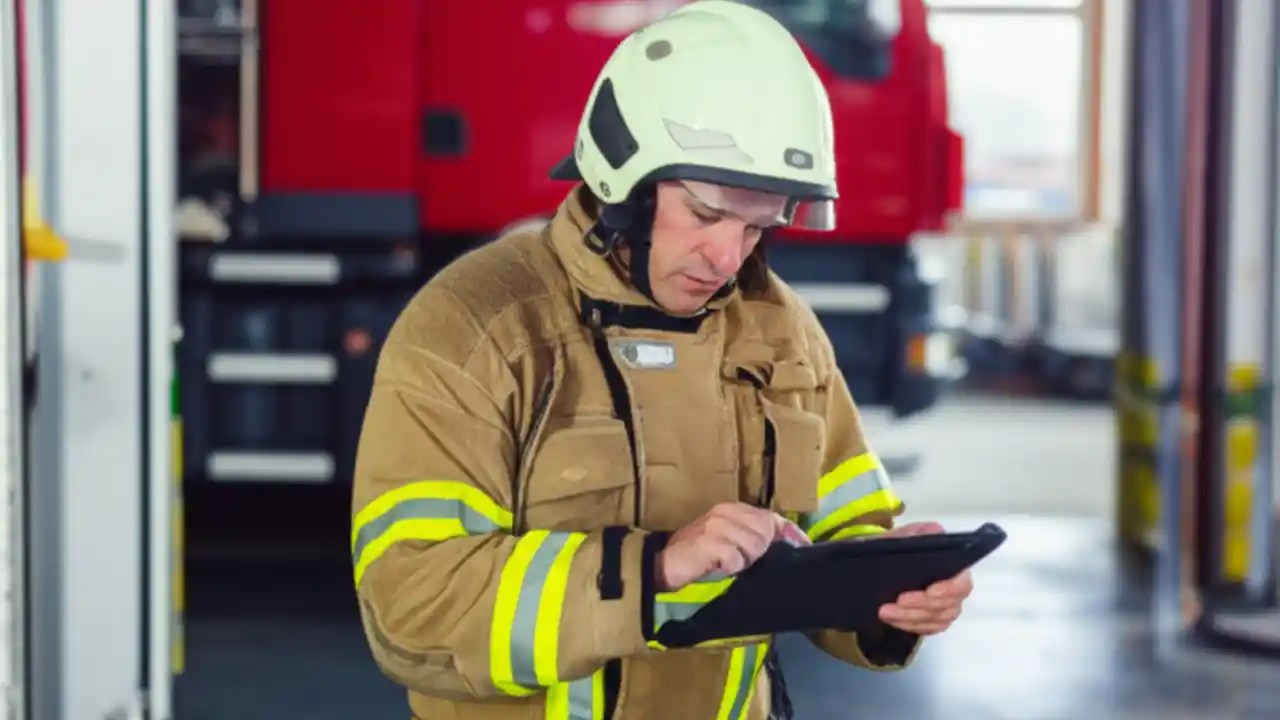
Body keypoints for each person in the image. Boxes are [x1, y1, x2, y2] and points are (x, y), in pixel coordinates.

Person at [349, 2, 973, 718]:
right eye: (707, 214)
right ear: (627, 184)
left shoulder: (782, 334)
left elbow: (839, 533)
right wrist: (652, 570)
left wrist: (888, 590)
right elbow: (413, 609)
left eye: (758, 225)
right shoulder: (478, 326)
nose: (728, 256)